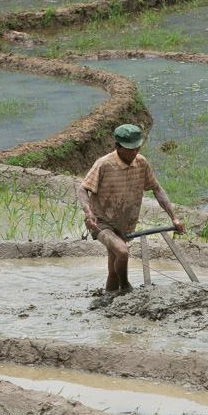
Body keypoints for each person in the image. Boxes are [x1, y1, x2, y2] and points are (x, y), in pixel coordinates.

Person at [78, 123, 184, 294]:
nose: (134, 152)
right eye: (129, 149)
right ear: (117, 146)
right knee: (123, 252)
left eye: (137, 147)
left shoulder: (141, 163)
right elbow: (83, 188)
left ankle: (108, 299)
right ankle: (126, 287)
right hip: (101, 222)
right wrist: (89, 214)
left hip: (124, 224)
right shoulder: (104, 164)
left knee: (114, 270)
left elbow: (157, 189)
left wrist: (174, 217)